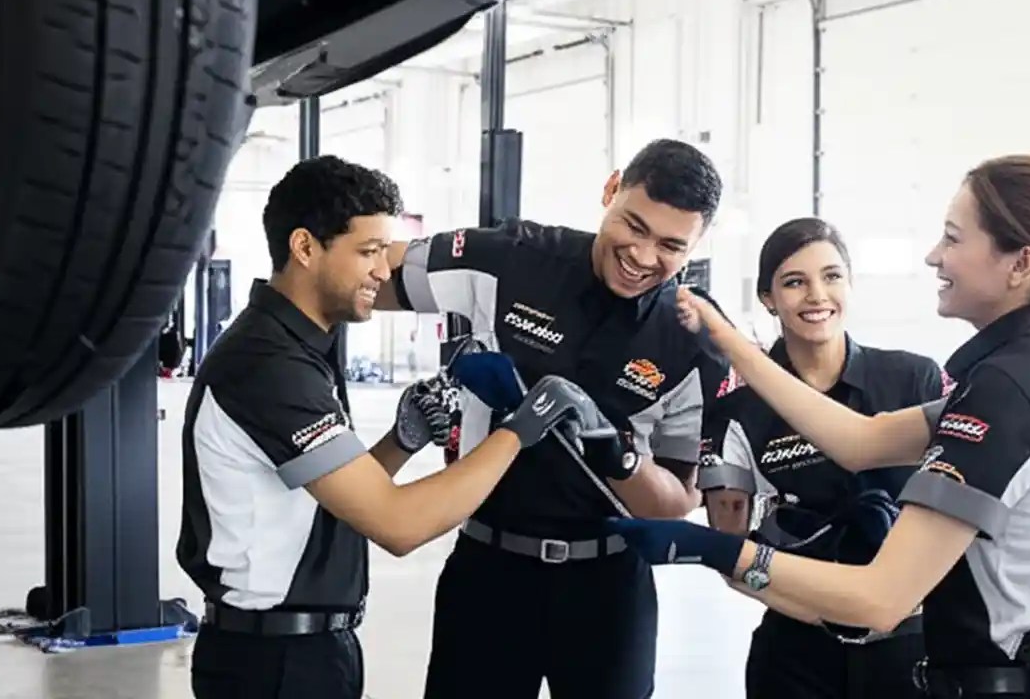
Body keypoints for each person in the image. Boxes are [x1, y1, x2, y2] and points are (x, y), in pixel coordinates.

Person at [610, 154, 1030, 699]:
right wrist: (727, 339)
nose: (933, 256)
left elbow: (881, 598)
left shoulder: (1010, 389)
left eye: (953, 238)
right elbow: (860, 441)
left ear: (1021, 264)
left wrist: (715, 551)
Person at [176, 156, 613, 699]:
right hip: (272, 664)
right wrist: (520, 429)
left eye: (386, 251)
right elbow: (398, 524)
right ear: (305, 247)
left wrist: (399, 444)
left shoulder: (301, 344)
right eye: (368, 252)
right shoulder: (269, 364)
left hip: (305, 651)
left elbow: (325, 499)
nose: (385, 271)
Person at [375, 138, 734, 699]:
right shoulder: (513, 257)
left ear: (698, 242)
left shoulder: (694, 343)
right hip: (489, 571)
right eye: (634, 227)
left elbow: (675, 502)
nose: (642, 257)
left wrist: (617, 451)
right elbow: (367, 274)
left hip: (608, 587)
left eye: (670, 245)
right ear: (611, 189)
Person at [699, 217, 944, 698]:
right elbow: (728, 553)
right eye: (795, 282)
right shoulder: (736, 412)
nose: (817, 295)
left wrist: (887, 604)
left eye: (832, 276)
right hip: (797, 649)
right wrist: (832, 612)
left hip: (912, 645)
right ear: (768, 298)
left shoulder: (915, 380)